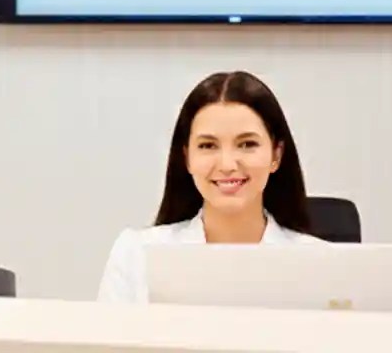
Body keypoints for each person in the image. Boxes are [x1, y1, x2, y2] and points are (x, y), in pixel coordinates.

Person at [97, 70, 325, 304]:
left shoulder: (320, 264)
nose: (227, 165)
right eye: (208, 146)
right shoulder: (136, 254)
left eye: (247, 144)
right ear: (187, 158)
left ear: (276, 155)